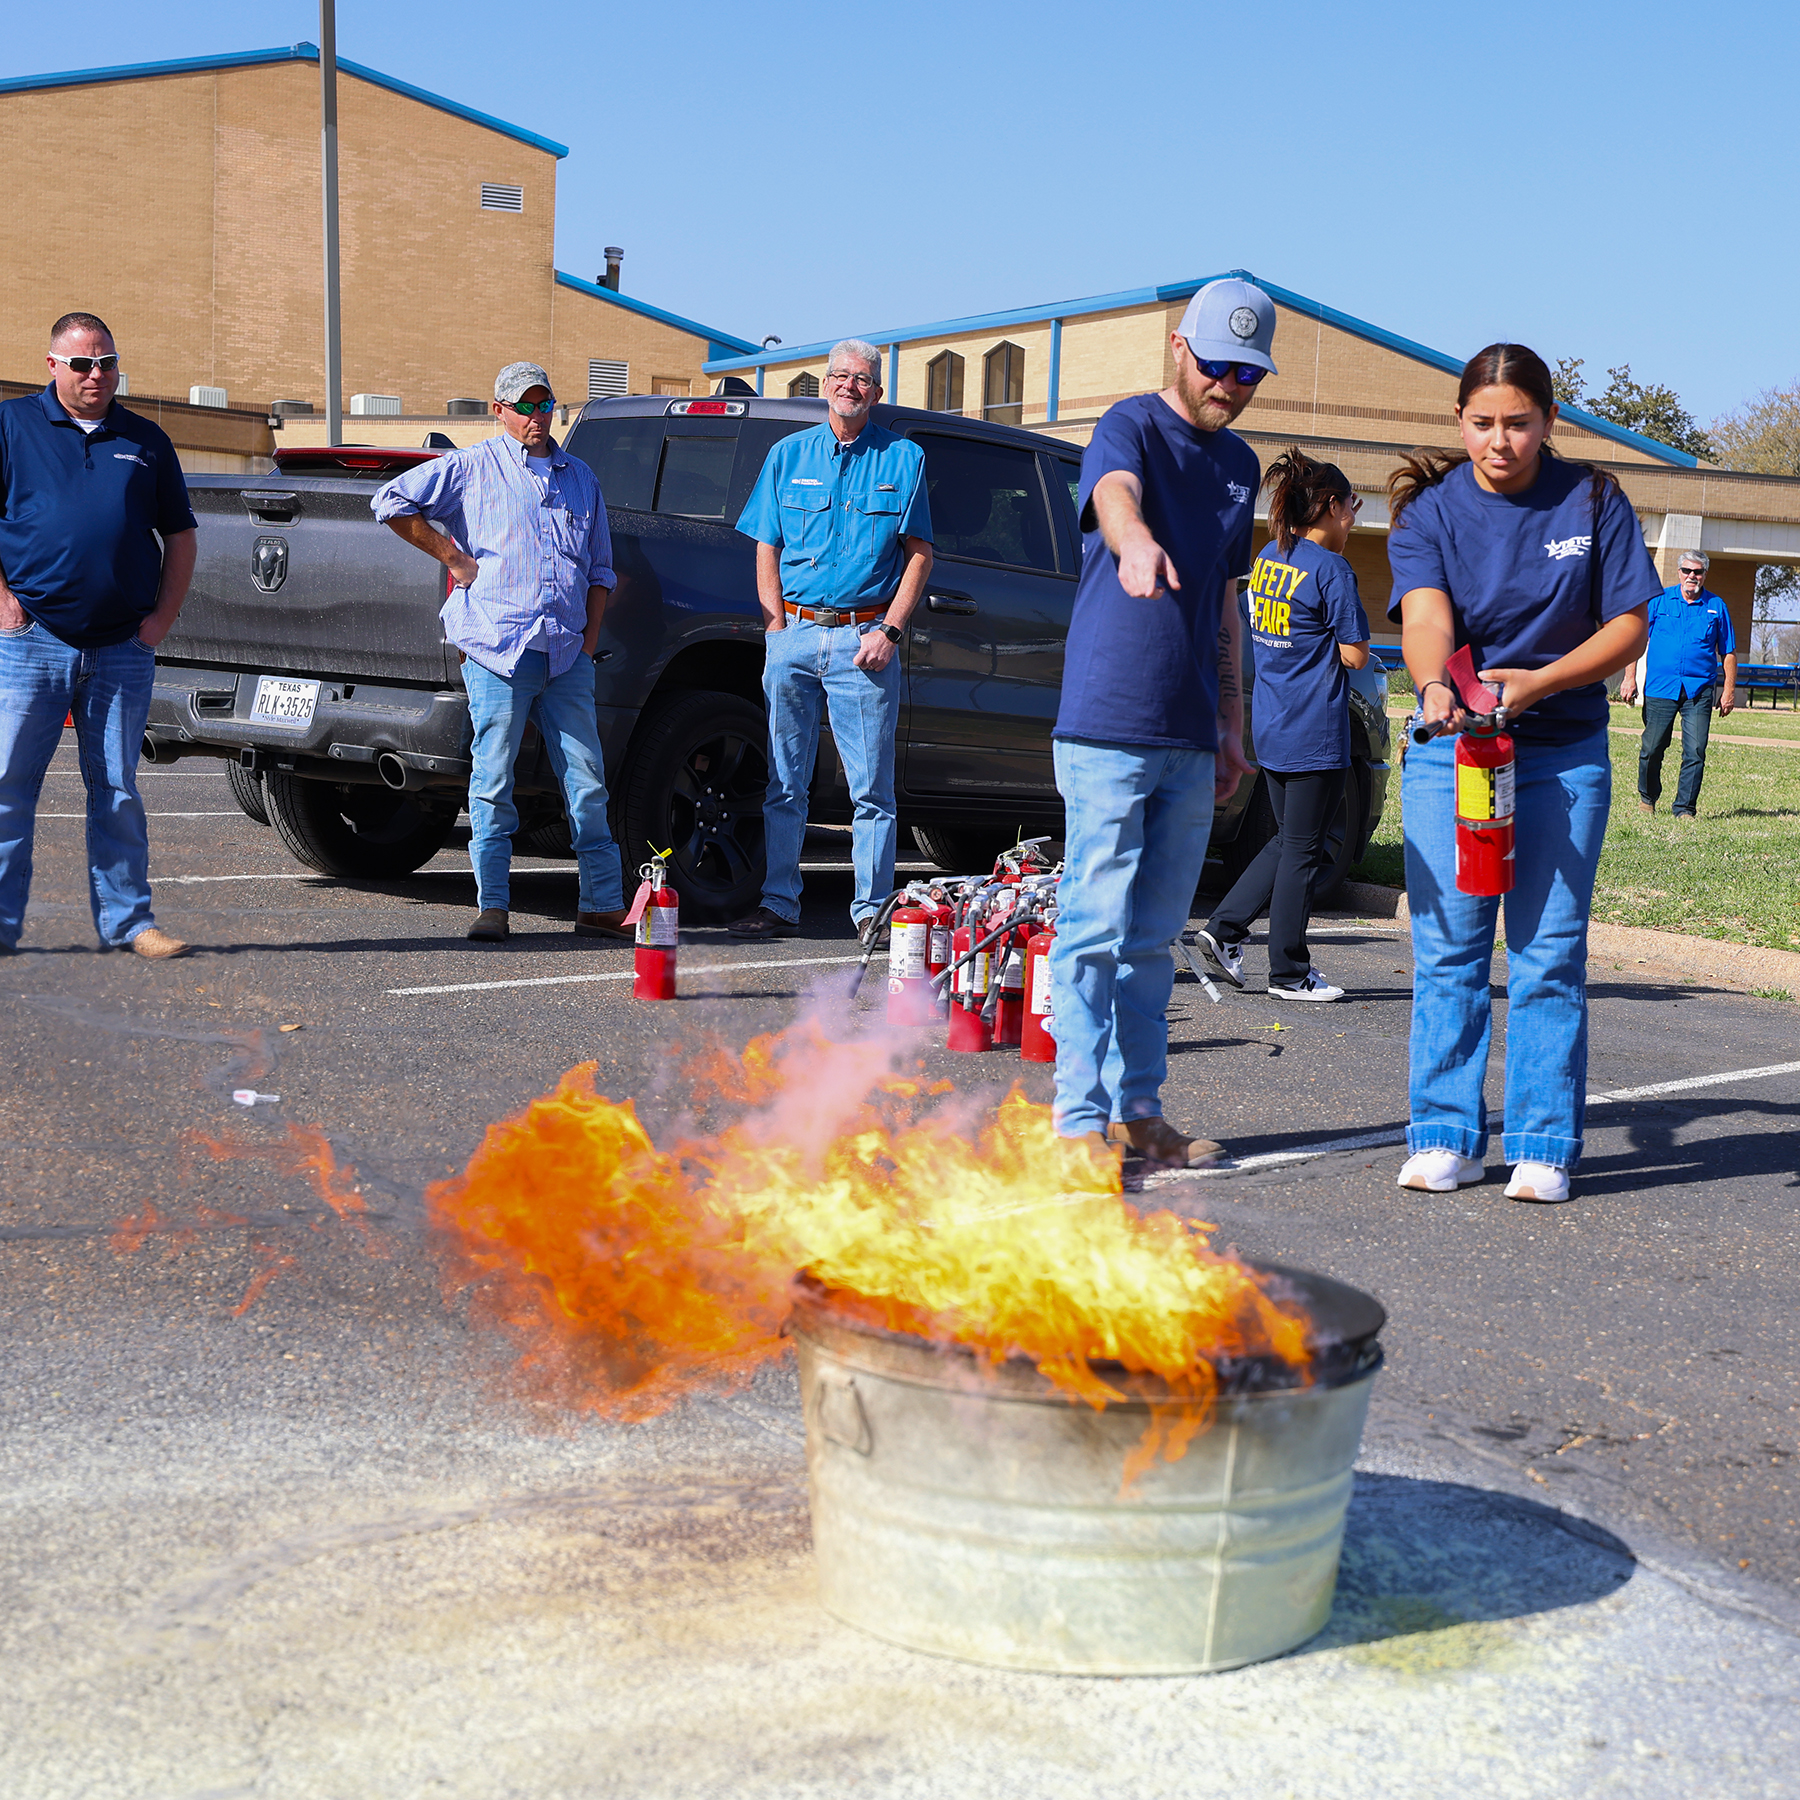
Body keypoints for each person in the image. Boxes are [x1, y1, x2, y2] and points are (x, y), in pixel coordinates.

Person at [1388, 343, 1657, 1204]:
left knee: (1548, 955)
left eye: (1518, 423)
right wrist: (1435, 685)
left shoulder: (1594, 499)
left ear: (1548, 421)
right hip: (1456, 753)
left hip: (1561, 755)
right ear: (1458, 419)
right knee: (1451, 951)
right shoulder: (1430, 512)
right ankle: (1445, 1136)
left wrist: (1540, 683)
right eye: (1481, 423)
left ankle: (1543, 1144)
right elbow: (1425, 618)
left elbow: (1629, 626)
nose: (1498, 441)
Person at [1049, 277, 1270, 1169]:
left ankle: (1140, 1113)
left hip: (1188, 733)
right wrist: (1133, 539)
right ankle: (1077, 1125)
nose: (1229, 385)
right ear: (1180, 347)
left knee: (1150, 942)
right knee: (1092, 930)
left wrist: (1231, 720)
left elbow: (1225, 602)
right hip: (1109, 720)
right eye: (1216, 365)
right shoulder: (1129, 423)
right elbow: (1114, 493)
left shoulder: (1242, 465)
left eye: (1248, 373)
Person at [375, 361, 628, 943]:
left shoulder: (581, 478)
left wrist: (587, 643)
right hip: (497, 651)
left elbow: (600, 569)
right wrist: (453, 557)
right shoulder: (471, 467)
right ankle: (492, 906)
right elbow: (391, 501)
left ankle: (601, 905)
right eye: (525, 406)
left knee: (587, 783)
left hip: (566, 655)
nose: (537, 416)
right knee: (493, 780)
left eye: (545, 404)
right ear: (500, 410)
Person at [0, 312, 197, 961]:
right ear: (52, 365)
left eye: (107, 362)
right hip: (30, 639)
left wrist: (158, 623)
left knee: (116, 788)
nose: (96, 375)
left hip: (121, 647)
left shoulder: (145, 439)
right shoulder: (12, 426)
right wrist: (4, 605)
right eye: (82, 363)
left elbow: (181, 535)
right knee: (7, 786)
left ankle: (130, 923)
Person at [729, 340, 933, 942]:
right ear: (824, 384)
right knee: (784, 783)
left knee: (871, 791)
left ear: (877, 391)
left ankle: (872, 912)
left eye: (862, 379)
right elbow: (766, 544)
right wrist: (774, 630)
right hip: (793, 637)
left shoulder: (904, 459)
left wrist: (890, 630)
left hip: (864, 642)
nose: (850, 386)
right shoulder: (787, 455)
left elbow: (919, 553)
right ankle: (778, 903)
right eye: (841, 376)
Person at [1198, 449, 1371, 1002]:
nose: (1354, 519)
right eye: (1351, 507)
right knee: (1303, 850)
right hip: (1315, 728)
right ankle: (1290, 973)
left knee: (1290, 839)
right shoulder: (1332, 570)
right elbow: (1355, 655)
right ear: (1330, 506)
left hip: (1272, 724)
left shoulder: (1270, 556)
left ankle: (1223, 930)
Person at [1618, 551, 1737, 819]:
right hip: (1661, 688)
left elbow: (1728, 652)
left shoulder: (1716, 606)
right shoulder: (1659, 600)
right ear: (1679, 572)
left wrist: (1728, 691)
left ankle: (1685, 808)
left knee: (1695, 750)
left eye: (1697, 572)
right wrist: (1629, 677)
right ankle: (1648, 798)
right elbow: (1636, 640)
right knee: (1652, 747)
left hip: (1699, 690)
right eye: (1687, 571)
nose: (1692, 576)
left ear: (1705, 575)